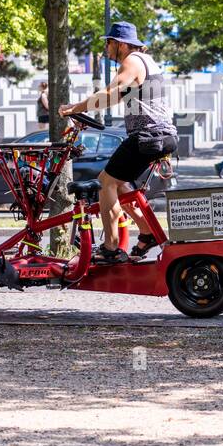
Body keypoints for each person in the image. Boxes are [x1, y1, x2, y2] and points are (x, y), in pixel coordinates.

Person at [59, 21, 178, 265]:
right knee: (120, 185)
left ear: (121, 44)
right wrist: (83, 110)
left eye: (109, 42)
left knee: (105, 183)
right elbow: (111, 99)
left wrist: (74, 107)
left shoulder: (132, 61)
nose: (106, 48)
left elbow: (107, 91)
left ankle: (111, 248)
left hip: (148, 135)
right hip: (161, 135)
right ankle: (147, 233)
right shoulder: (146, 62)